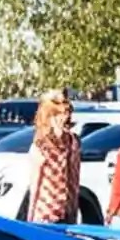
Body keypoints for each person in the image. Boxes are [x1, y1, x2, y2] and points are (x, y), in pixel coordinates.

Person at [26, 89, 81, 224]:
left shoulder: (41, 146)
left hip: (48, 213)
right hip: (60, 212)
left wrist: (30, 216)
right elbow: (75, 180)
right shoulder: (72, 143)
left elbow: (36, 185)